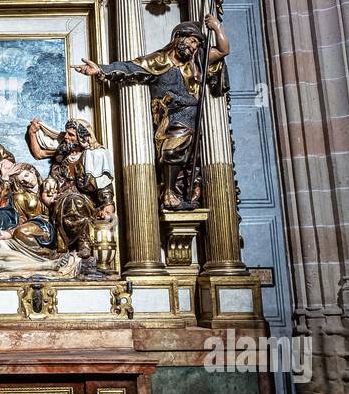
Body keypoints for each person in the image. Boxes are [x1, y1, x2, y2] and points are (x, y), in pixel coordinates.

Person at [75, 15, 229, 209]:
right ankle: (169, 191)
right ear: (179, 37)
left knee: (180, 155)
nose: (193, 47)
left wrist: (216, 27)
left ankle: (174, 192)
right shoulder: (158, 60)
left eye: (197, 44)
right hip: (167, 120)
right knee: (168, 153)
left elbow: (224, 50)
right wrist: (100, 70)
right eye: (191, 41)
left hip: (190, 117)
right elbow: (130, 67)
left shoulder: (196, 61)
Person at [26, 117, 114, 267]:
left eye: (71, 135)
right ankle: (67, 245)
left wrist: (108, 205)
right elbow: (39, 154)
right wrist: (32, 134)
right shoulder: (63, 154)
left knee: (76, 200)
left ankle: (83, 243)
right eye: (67, 134)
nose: (66, 137)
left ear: (82, 137)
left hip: (85, 198)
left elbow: (103, 185)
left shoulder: (95, 155)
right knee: (69, 200)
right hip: (61, 196)